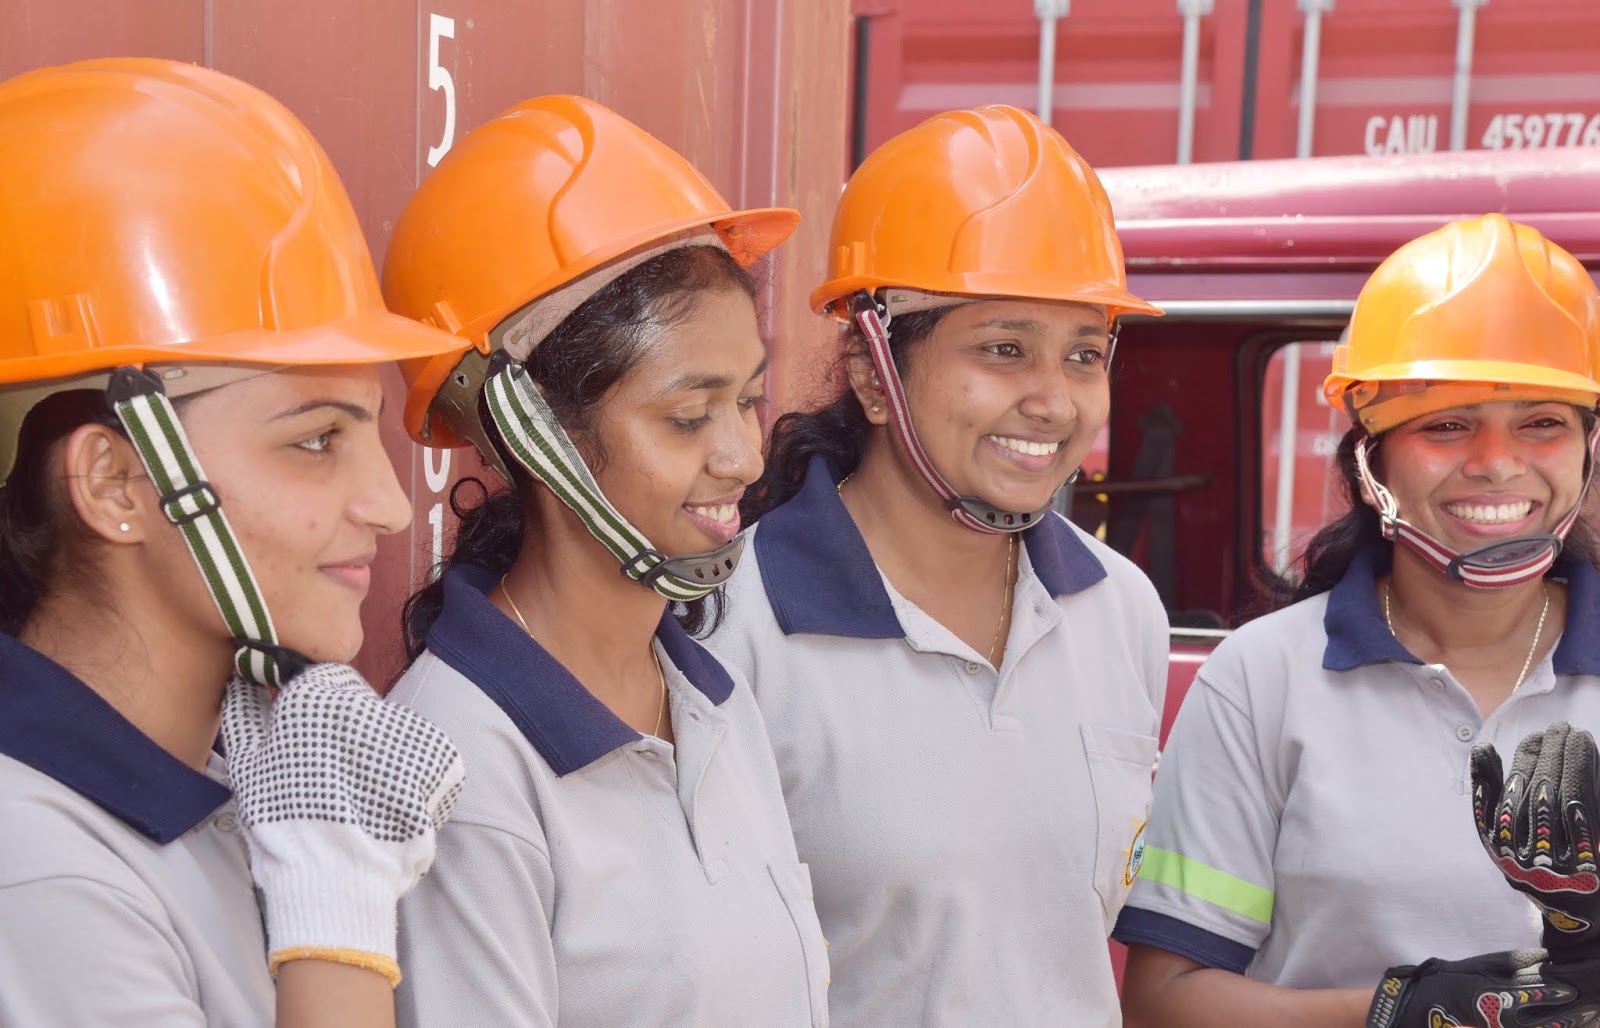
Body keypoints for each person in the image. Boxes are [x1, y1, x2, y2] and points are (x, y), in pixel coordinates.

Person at [0, 58, 465, 1027]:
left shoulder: (217, 779)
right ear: (117, 483)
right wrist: (334, 914)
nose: (386, 503)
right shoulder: (35, 868)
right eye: (314, 439)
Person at [706, 104, 1170, 1027]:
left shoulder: (1120, 608)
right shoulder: (732, 626)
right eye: (1004, 349)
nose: (1052, 400)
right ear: (875, 371)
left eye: (1085, 354)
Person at [380, 95, 829, 1027]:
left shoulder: (712, 696)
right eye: (686, 415)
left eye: (747, 400)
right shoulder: (462, 765)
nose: (744, 458)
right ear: (528, 433)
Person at [1114, 213, 1600, 1027]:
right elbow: (1163, 1005)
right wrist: (1392, 1013)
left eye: (1541, 422)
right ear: (1371, 460)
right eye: (1447, 424)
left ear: (1589, 446)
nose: (1497, 461)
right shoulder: (1261, 678)